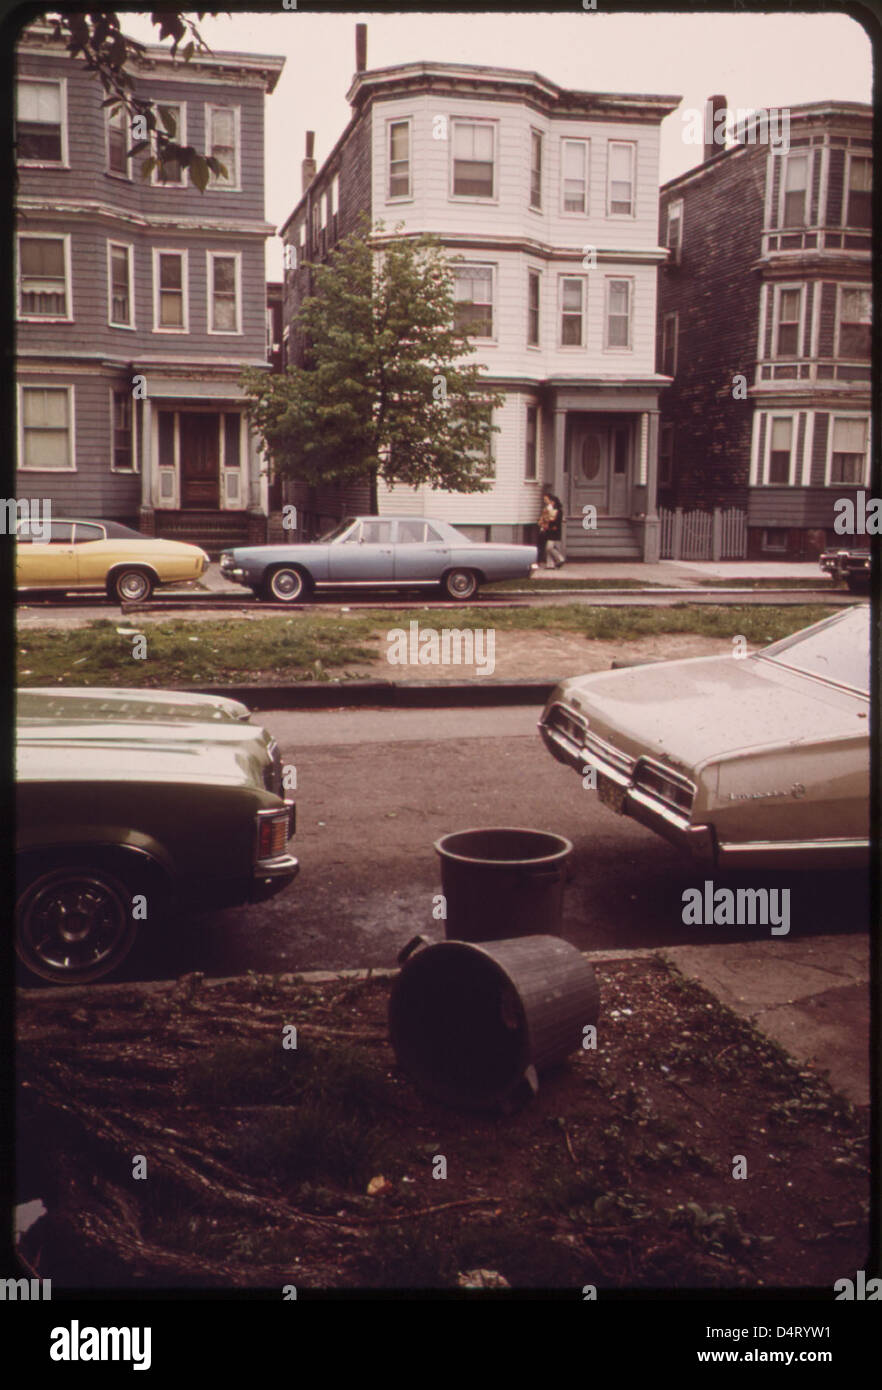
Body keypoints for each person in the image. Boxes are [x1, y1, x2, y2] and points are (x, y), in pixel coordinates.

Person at [538, 491, 565, 568]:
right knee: (548, 548)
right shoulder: (550, 509)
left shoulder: (559, 511)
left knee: (549, 547)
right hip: (549, 530)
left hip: (554, 531)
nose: (551, 503)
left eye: (552, 502)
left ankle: (560, 559)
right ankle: (550, 564)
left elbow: (557, 521)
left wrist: (551, 523)